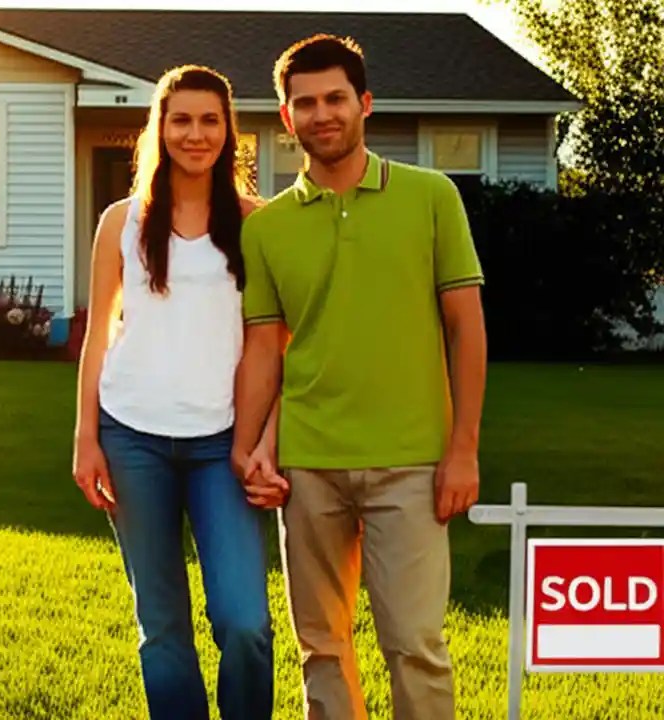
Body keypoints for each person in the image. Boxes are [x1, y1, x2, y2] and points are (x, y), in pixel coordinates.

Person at [233, 34, 488, 720]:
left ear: (365, 104)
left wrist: (462, 447)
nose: (322, 114)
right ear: (287, 119)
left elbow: (467, 328)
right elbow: (265, 347)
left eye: (336, 99)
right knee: (321, 646)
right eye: (305, 103)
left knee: (414, 643)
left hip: (412, 461)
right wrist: (246, 444)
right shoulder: (267, 229)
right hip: (308, 464)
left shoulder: (431, 198)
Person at [71, 64, 277, 720]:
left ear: (229, 131)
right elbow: (97, 335)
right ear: (160, 129)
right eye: (181, 119)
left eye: (209, 120)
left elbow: (282, 347)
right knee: (161, 629)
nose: (195, 134)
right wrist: (86, 439)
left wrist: (264, 440)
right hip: (131, 438)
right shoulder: (120, 224)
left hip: (225, 445)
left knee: (244, 620)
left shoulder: (258, 223)